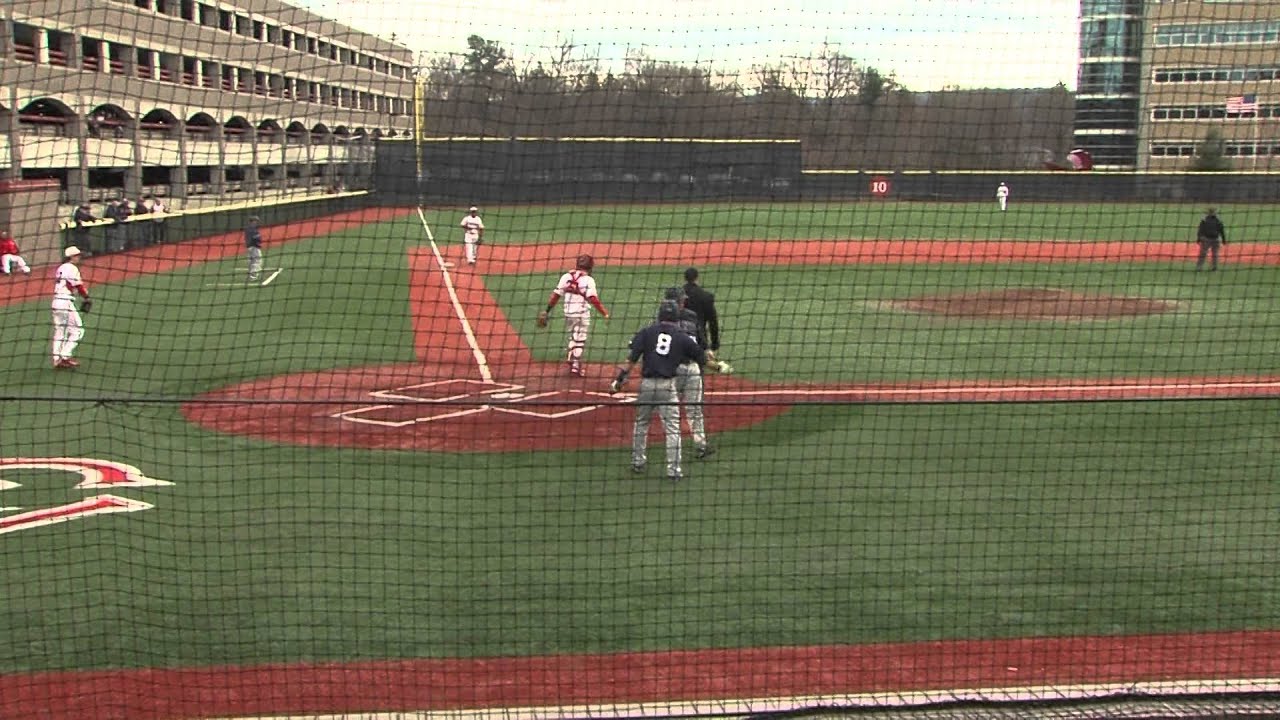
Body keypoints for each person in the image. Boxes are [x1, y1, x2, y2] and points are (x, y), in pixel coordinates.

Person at [609, 301, 708, 481]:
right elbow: (701, 357)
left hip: (647, 385)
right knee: (672, 429)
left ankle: (638, 462)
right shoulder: (681, 336)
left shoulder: (647, 332)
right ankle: (674, 471)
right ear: (676, 317)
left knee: (641, 423)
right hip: (667, 386)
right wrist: (719, 366)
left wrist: (619, 379)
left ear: (659, 316)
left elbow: (631, 359)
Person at [661, 287, 715, 459]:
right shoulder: (662, 318)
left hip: (688, 369)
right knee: (675, 410)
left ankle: (700, 445)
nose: (683, 301)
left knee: (692, 409)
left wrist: (706, 349)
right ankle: (677, 447)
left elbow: (700, 338)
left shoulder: (690, 316)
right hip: (674, 370)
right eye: (680, 300)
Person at [538, 254, 610, 376]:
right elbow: (593, 298)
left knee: (574, 335)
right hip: (582, 314)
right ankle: (575, 365)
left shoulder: (566, 276)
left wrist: (547, 310)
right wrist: (605, 313)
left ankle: (571, 354)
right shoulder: (588, 280)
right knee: (580, 338)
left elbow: (555, 295)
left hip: (568, 313)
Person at [51, 246, 91, 369]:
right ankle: (65, 356)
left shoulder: (61, 268)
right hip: (65, 302)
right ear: (71, 257)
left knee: (60, 331)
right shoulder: (71, 268)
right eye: (77, 256)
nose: (79, 258)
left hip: (56, 302)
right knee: (78, 330)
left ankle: (57, 359)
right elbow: (78, 285)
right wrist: (86, 297)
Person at [681, 267, 721, 356]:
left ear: (685, 278)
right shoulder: (706, 296)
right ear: (697, 278)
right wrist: (714, 344)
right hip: (699, 341)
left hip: (678, 338)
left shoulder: (677, 295)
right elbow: (713, 322)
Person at [1196, 207, 1227, 272]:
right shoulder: (1215, 220)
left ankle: (1205, 267)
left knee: (1207, 254)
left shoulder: (1205, 220)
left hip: (1211, 239)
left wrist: (1198, 238)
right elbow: (1222, 231)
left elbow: (1200, 230)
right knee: (1210, 254)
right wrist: (1224, 240)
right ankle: (1208, 267)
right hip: (1210, 239)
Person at [245, 216, 263, 281]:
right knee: (257, 260)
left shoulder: (248, 228)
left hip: (250, 247)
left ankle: (251, 274)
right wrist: (259, 239)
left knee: (251, 261)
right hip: (254, 247)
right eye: (256, 221)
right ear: (252, 221)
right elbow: (257, 238)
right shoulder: (252, 229)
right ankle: (253, 275)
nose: (257, 222)